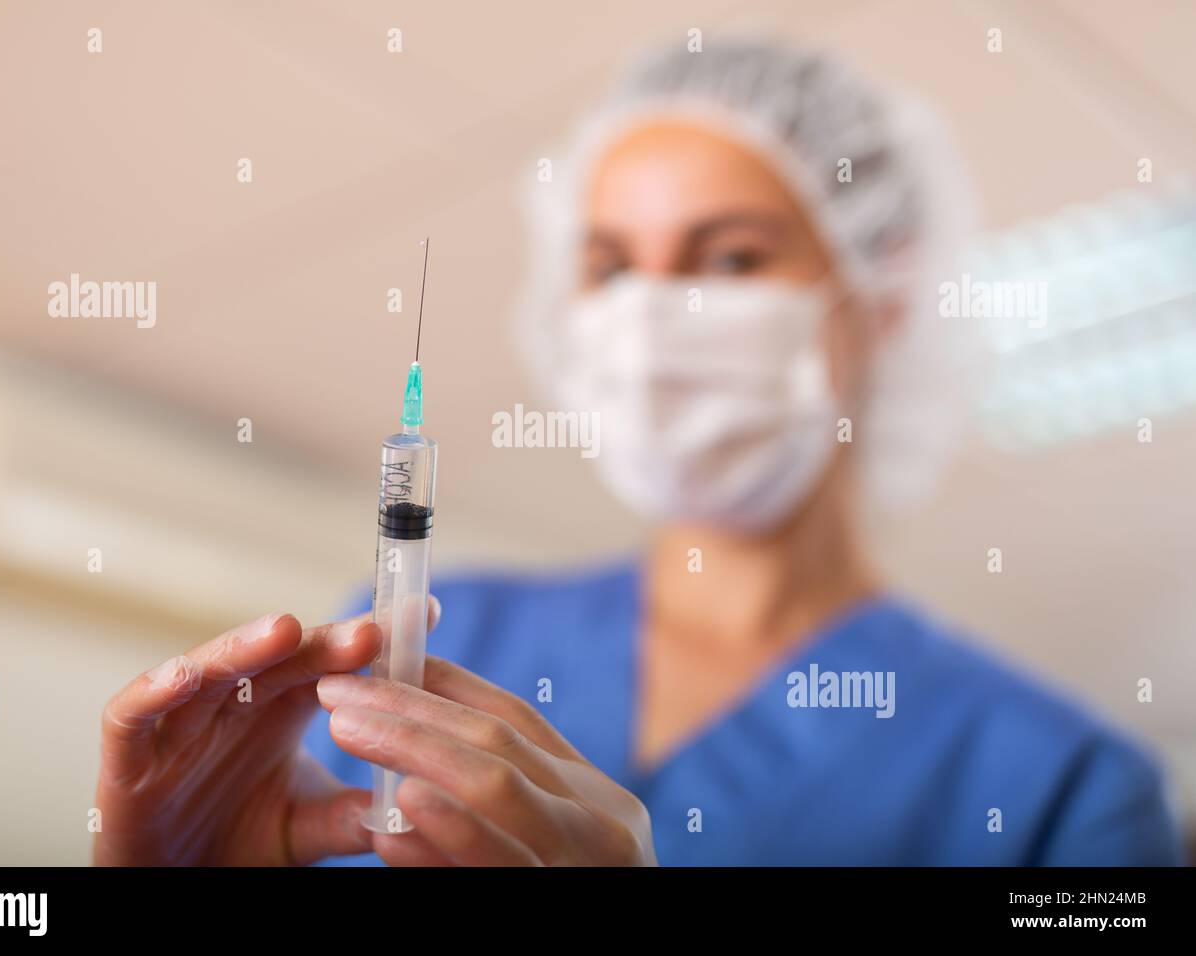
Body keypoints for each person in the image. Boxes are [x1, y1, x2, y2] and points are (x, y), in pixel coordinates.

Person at [94, 38, 1182, 866]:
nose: (654, 316)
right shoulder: (436, 631)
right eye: (614, 266)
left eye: (730, 255)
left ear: (877, 299)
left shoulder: (1060, 785)